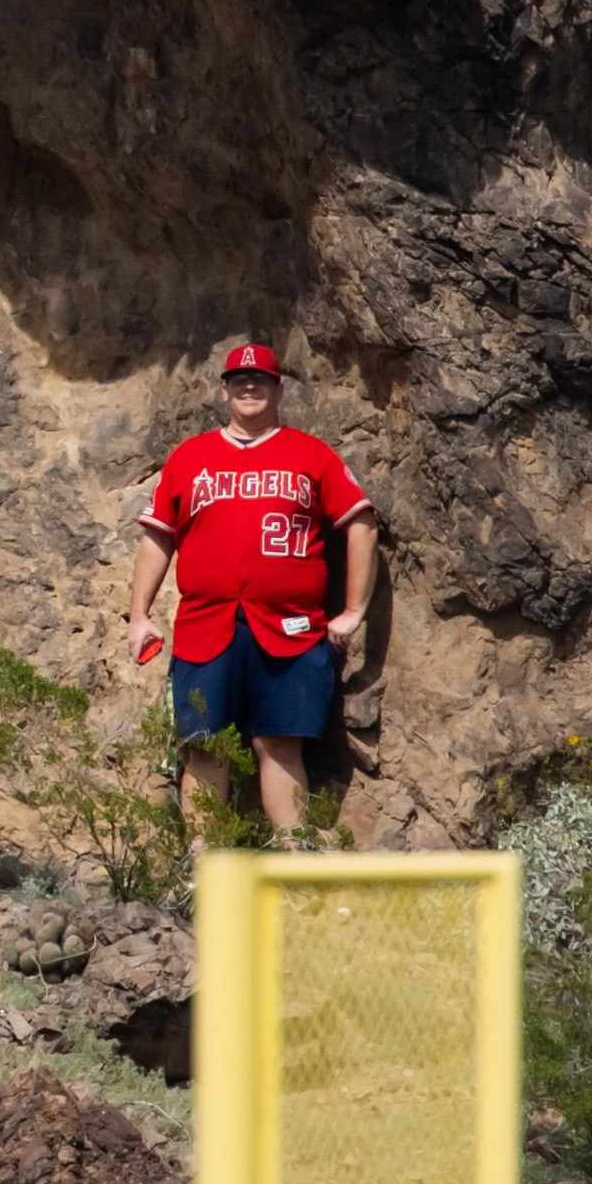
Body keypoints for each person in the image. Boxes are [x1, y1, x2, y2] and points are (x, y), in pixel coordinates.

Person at [122, 339, 378, 838]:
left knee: (280, 744)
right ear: (224, 392)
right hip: (205, 626)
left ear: (278, 389)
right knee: (203, 744)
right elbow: (157, 535)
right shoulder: (191, 458)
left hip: (290, 628)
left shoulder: (311, 455)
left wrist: (353, 612)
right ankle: (204, 864)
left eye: (260, 379)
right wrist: (139, 616)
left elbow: (362, 524)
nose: (249, 387)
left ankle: (294, 860)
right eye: (239, 381)